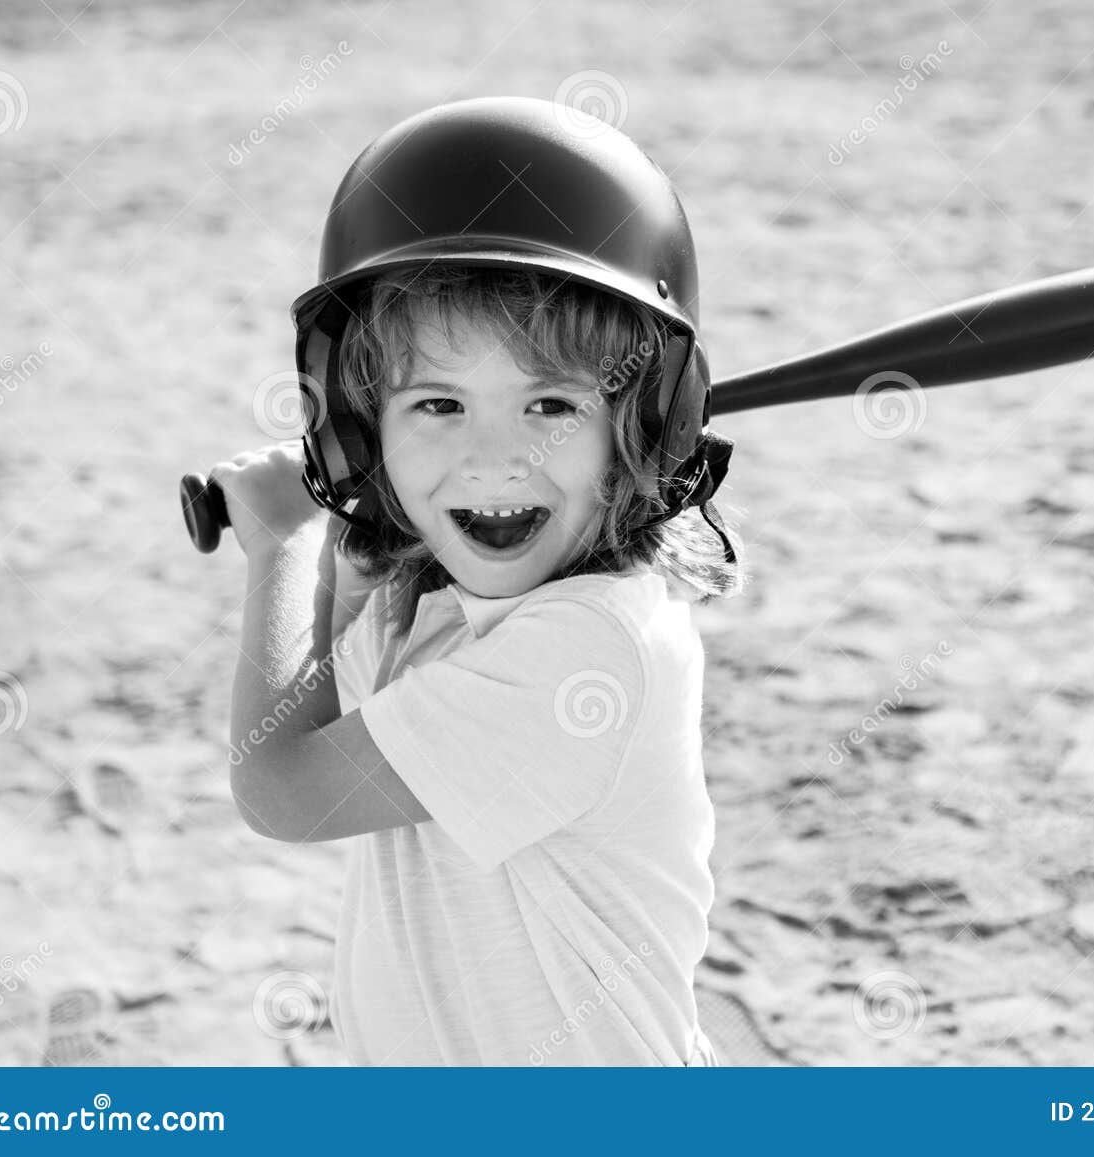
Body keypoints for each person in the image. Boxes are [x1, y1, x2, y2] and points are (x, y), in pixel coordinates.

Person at [208, 97, 744, 1065]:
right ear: (366, 426)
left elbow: (284, 785)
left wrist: (282, 545)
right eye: (439, 403)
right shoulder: (455, 595)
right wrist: (363, 534)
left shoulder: (587, 649)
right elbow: (343, 686)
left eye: (549, 401)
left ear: (644, 425)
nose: (493, 459)